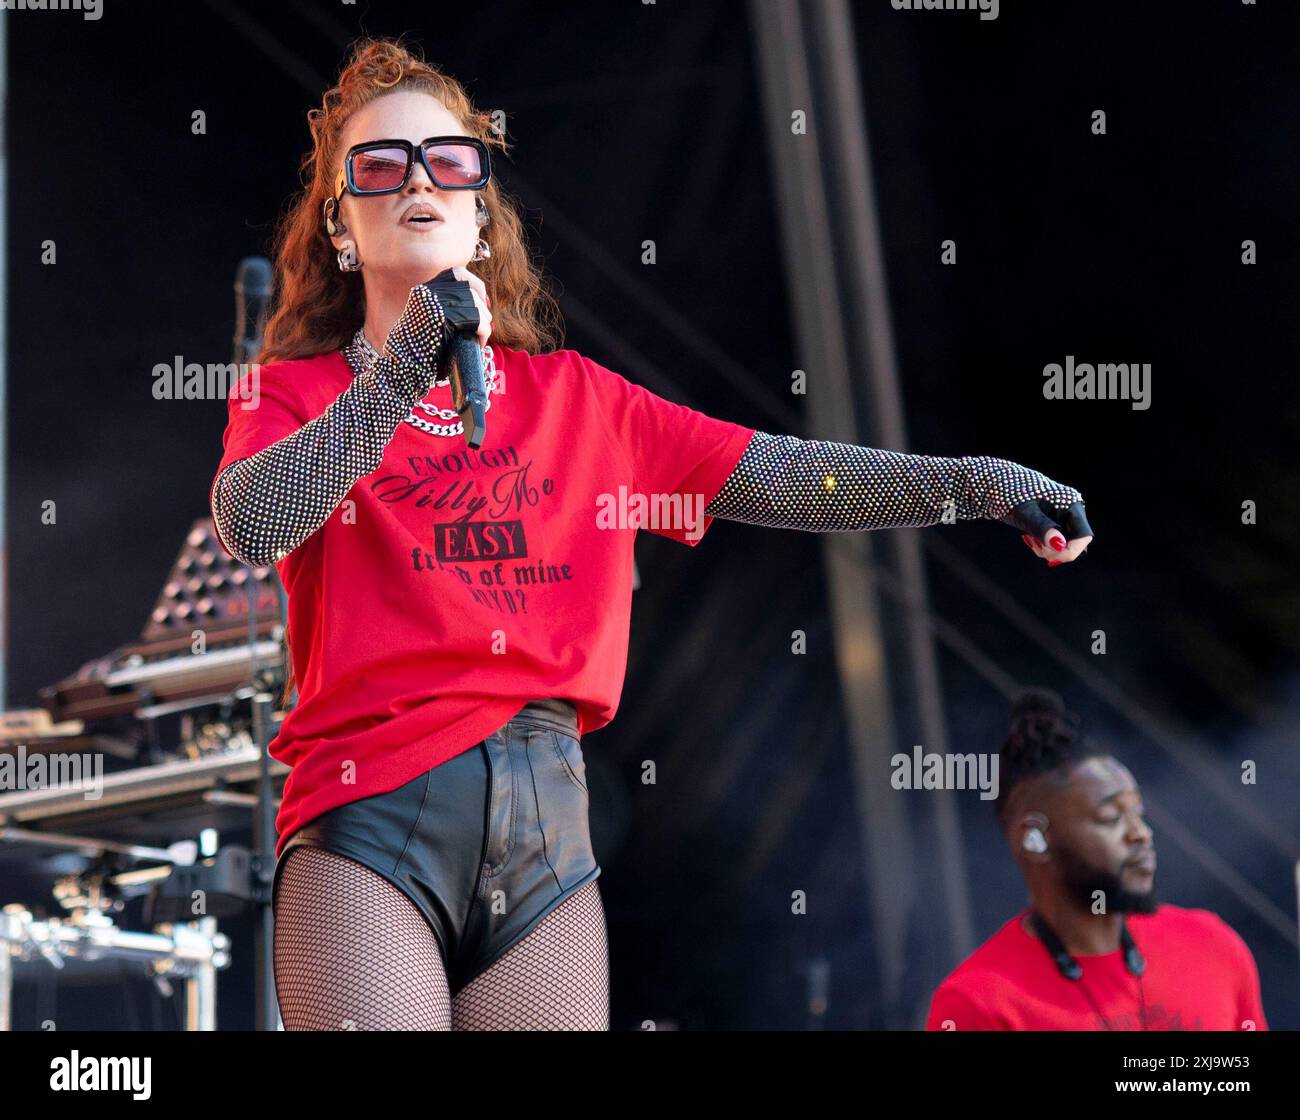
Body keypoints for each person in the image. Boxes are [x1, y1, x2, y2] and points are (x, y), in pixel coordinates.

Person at [209, 36, 1094, 1031]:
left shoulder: (583, 401)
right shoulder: (293, 392)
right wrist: (408, 362)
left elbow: (785, 473)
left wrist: (977, 482)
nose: (418, 179)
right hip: (368, 822)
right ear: (339, 228)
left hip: (544, 836)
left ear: (479, 208)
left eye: (449, 160)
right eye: (380, 166)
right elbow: (255, 520)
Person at [925, 688, 1269, 1031]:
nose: (1141, 834)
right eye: (1110, 817)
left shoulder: (1214, 947)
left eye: (1138, 813)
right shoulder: (976, 1003)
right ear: (1035, 839)